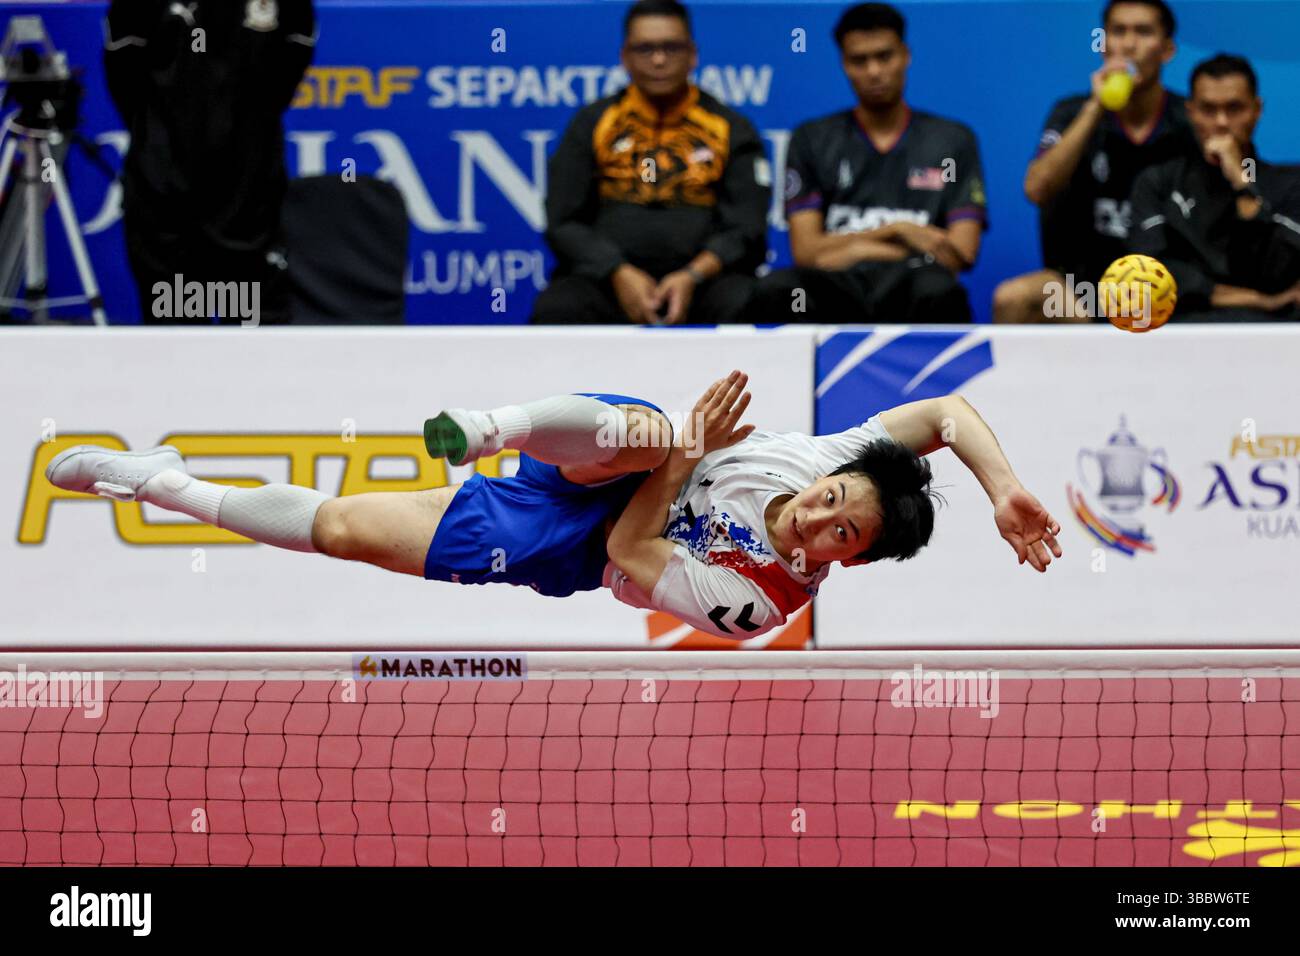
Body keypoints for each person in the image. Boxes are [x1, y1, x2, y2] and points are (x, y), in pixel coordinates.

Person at [45, 375, 1062, 640]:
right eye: (833, 499)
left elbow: (630, 542)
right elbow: (945, 410)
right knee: (661, 430)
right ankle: (492, 423)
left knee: (346, 530)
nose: (817, 515)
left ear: (844, 559)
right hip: (627, 445)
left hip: (585, 541)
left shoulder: (760, 602)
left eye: (841, 532)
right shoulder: (832, 455)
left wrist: (694, 458)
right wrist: (1004, 486)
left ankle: (158, 481)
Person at [745, 3, 987, 324]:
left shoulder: (953, 139)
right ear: (844, 64)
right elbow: (807, 253)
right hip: (839, 285)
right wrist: (902, 232)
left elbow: (960, 254)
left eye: (884, 56)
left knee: (939, 288)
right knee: (780, 288)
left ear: (906, 56)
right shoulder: (811, 138)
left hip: (913, 283)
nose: (873, 71)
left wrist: (843, 248)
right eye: (859, 60)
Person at [530, 0, 768, 326]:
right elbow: (563, 222)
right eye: (645, 49)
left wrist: (692, 275)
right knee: (557, 307)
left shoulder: (730, 128)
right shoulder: (593, 123)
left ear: (693, 55)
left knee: (749, 301)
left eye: (671, 47)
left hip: (706, 283)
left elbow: (747, 227)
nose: (658, 59)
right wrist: (617, 271)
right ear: (624, 58)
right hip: (607, 282)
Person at [103, 0, 316, 325]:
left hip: (249, 205)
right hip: (167, 208)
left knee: (254, 351)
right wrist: (165, 139)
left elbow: (286, 72)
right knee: (177, 345)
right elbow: (126, 78)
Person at [993, 0, 1194, 323]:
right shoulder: (1072, 113)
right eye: (1118, 32)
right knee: (1016, 297)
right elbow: (1037, 189)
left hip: (1168, 292)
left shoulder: (1191, 120)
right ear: (1103, 44)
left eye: (1143, 32)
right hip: (1081, 296)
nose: (1128, 44)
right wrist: (1096, 108)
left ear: (1167, 49)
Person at [1129, 54, 1300, 321]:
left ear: (1257, 110)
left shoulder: (1291, 184)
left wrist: (1242, 183)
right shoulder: (1158, 182)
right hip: (1180, 332)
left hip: (1271, 335)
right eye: (1208, 109)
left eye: (1234, 109)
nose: (1221, 122)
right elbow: (1148, 275)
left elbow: (1278, 273)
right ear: (1191, 112)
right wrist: (1257, 299)